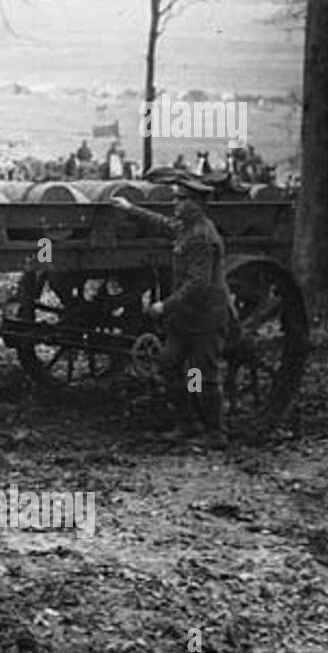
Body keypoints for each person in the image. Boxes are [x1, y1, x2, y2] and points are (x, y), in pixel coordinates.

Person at [110, 177, 230, 449]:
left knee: (201, 375)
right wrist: (129, 208)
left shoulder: (202, 236)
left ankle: (214, 432)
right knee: (168, 364)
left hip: (204, 317)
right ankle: (185, 424)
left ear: (196, 204)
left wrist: (165, 305)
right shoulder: (186, 228)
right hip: (185, 318)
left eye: (181, 199)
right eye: (175, 198)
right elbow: (162, 223)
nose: (175, 203)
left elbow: (199, 284)